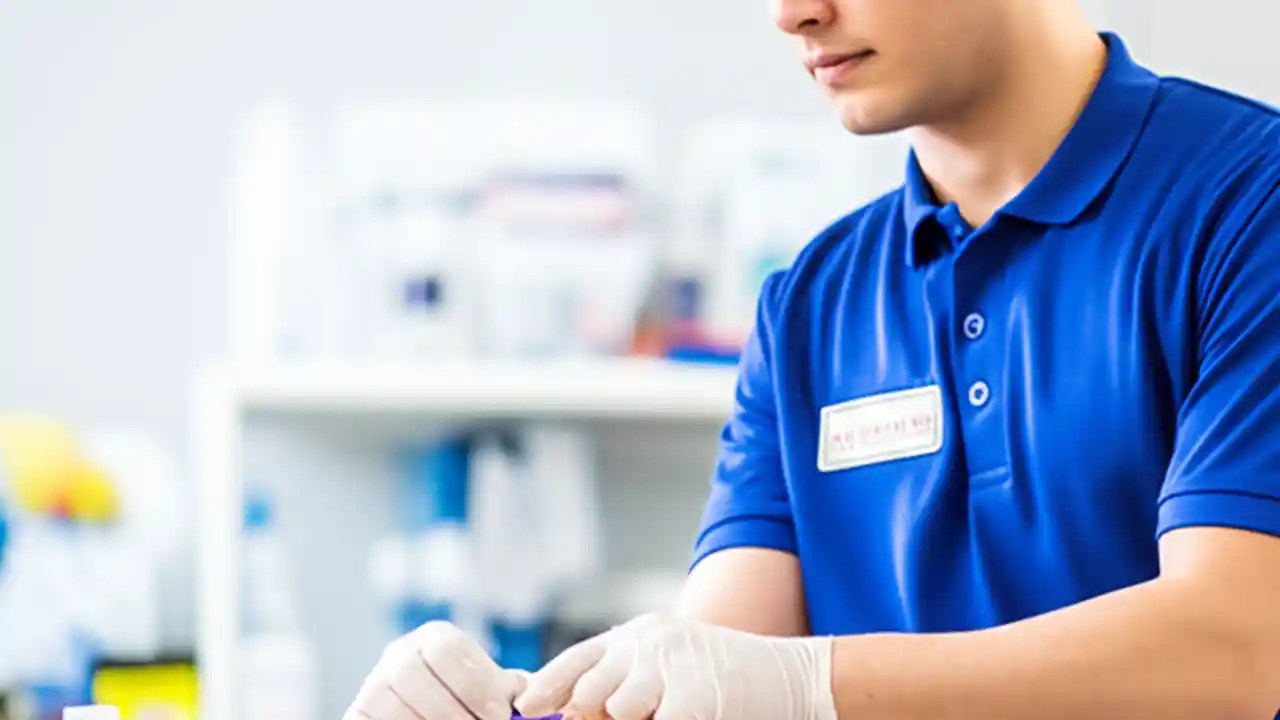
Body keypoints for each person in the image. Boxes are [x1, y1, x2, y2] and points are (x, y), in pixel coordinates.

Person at [346, 0, 1280, 717]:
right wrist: (497, 708)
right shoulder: (809, 304)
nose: (792, 13)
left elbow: (1237, 651)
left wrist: (813, 683)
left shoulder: (1247, 204)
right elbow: (707, 680)